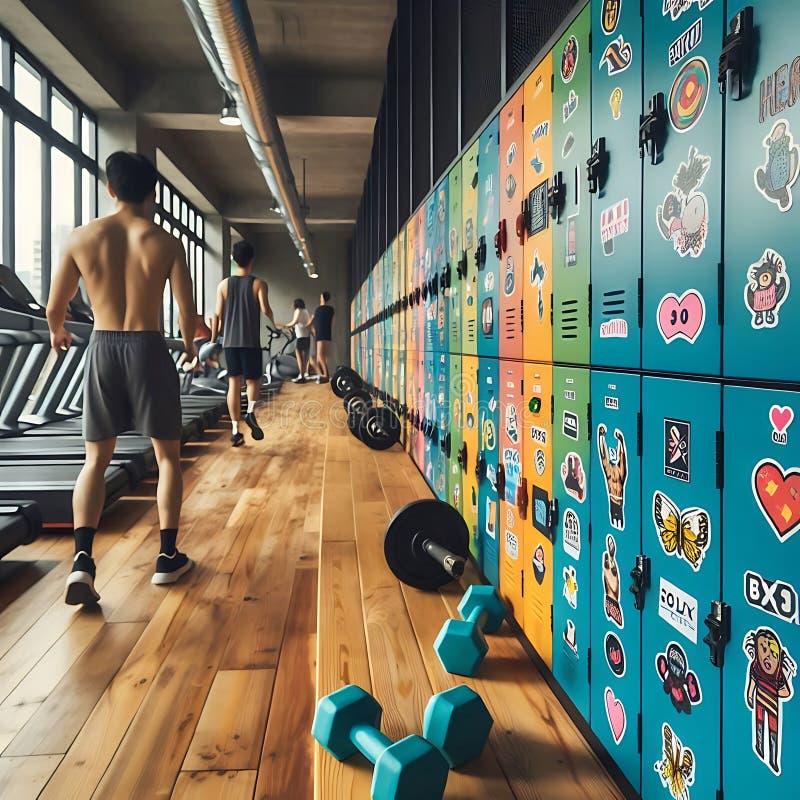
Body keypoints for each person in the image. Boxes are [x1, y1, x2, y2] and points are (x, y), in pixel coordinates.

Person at [46, 151, 197, 606]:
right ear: (152, 192)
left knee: (96, 459)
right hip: (149, 347)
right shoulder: (168, 243)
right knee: (167, 458)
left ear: (110, 188)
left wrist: (57, 332)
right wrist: (190, 347)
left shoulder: (81, 238)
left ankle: (82, 560)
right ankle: (167, 557)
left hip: (104, 347)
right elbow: (187, 314)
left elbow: (55, 307)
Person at [211, 240, 273, 447]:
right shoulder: (259, 284)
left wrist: (213, 339)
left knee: (234, 384)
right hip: (250, 342)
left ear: (233, 259)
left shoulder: (223, 285)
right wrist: (275, 322)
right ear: (252, 259)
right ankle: (250, 412)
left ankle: (235, 432)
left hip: (230, 343)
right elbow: (265, 309)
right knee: (253, 381)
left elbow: (217, 316)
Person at [280, 298, 312, 383]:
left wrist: (283, 326)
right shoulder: (305, 311)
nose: (292, 306)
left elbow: (294, 322)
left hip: (301, 336)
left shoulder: (298, 310)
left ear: (296, 304)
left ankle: (301, 376)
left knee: (299, 357)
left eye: (293, 304)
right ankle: (303, 375)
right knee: (304, 358)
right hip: (306, 336)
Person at [310, 291, 335, 382]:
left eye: (321, 297)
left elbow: (311, 322)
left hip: (320, 334)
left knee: (320, 356)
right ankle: (322, 375)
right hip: (327, 333)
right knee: (323, 356)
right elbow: (332, 323)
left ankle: (326, 375)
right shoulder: (331, 310)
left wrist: (313, 331)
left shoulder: (318, 309)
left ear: (322, 298)